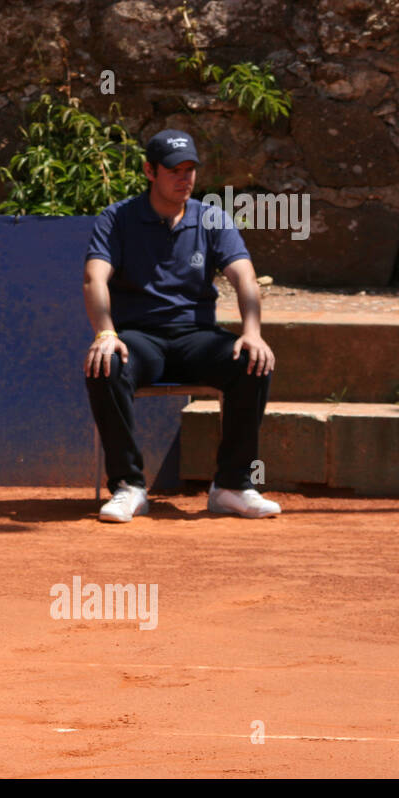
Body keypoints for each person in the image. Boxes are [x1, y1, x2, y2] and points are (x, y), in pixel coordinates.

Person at [83, 129, 280, 522]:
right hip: (140, 340)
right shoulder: (117, 218)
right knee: (105, 365)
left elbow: (244, 277)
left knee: (251, 360)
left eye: (190, 169)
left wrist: (253, 332)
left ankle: (232, 486)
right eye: (174, 170)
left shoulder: (210, 217)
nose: (185, 178)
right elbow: (94, 278)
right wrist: (105, 332)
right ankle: (128, 487)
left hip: (196, 339)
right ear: (150, 171)